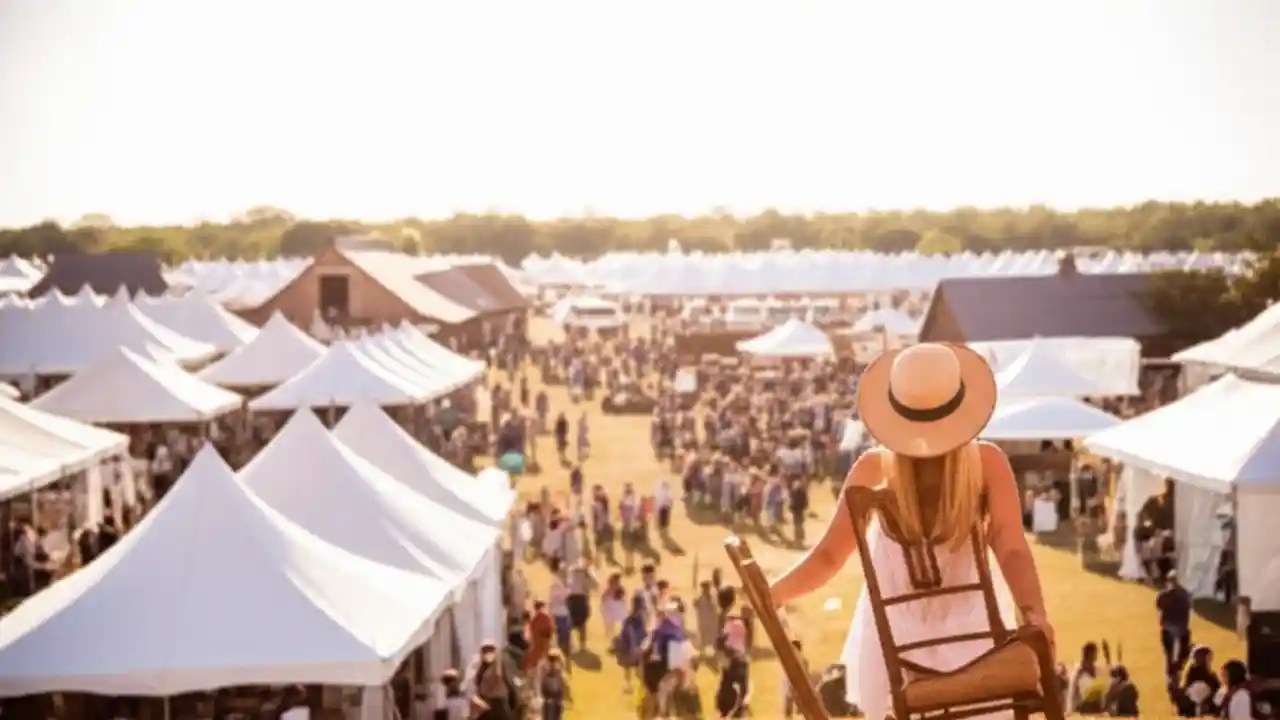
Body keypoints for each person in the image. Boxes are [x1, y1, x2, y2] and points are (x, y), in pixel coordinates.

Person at [767, 344, 1055, 720]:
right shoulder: (988, 465)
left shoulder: (871, 471)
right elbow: (1012, 550)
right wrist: (1035, 614)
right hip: (978, 649)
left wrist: (771, 594)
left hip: (895, 662)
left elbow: (827, 558)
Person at [1157, 571, 1193, 680]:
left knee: (1173, 655)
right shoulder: (1185, 594)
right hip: (1178, 629)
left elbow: (1160, 607)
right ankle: (1174, 673)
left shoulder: (1165, 595)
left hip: (1172, 629)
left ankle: (1173, 674)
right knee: (1176, 655)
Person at [715, 646, 751, 718]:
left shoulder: (738, 670)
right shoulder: (726, 670)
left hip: (735, 710)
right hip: (726, 709)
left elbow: (743, 691)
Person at [536, 648, 571, 720]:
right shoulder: (543, 671)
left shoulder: (560, 675)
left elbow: (564, 691)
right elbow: (539, 683)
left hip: (556, 704)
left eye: (554, 659)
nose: (552, 662)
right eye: (550, 659)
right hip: (546, 703)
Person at [524, 600, 554, 673]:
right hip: (545, 636)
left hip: (539, 636)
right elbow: (551, 627)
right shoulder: (546, 615)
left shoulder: (535, 617)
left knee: (536, 653)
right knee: (545, 653)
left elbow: (532, 628)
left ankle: (531, 669)